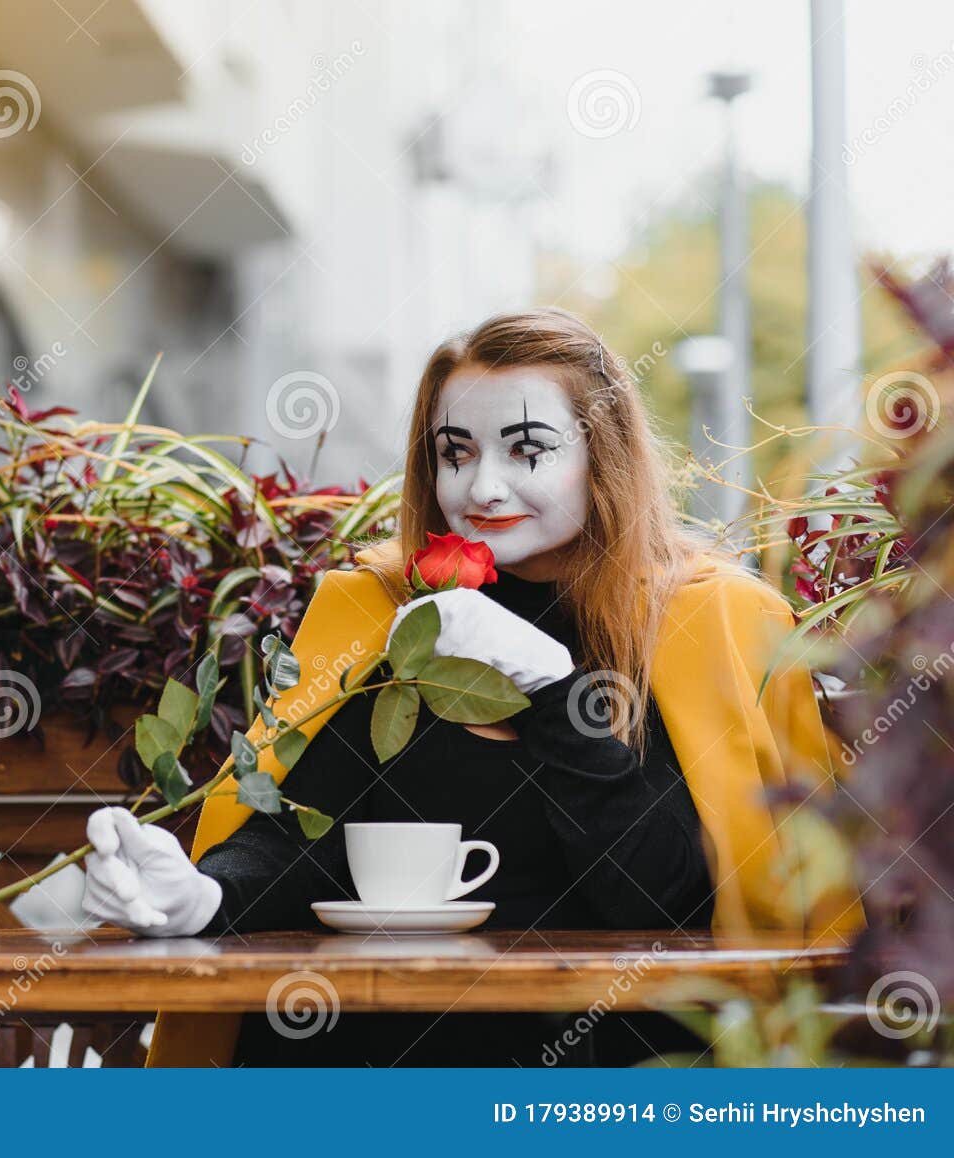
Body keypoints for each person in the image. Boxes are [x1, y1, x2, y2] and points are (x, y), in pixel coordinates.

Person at [81, 308, 864, 1067]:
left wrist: (557, 686)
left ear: (605, 456)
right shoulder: (382, 607)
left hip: (605, 1064)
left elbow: (661, 898)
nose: (483, 487)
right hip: (368, 1051)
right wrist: (203, 895)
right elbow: (298, 833)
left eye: (528, 451)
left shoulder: (705, 619)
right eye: (455, 454)